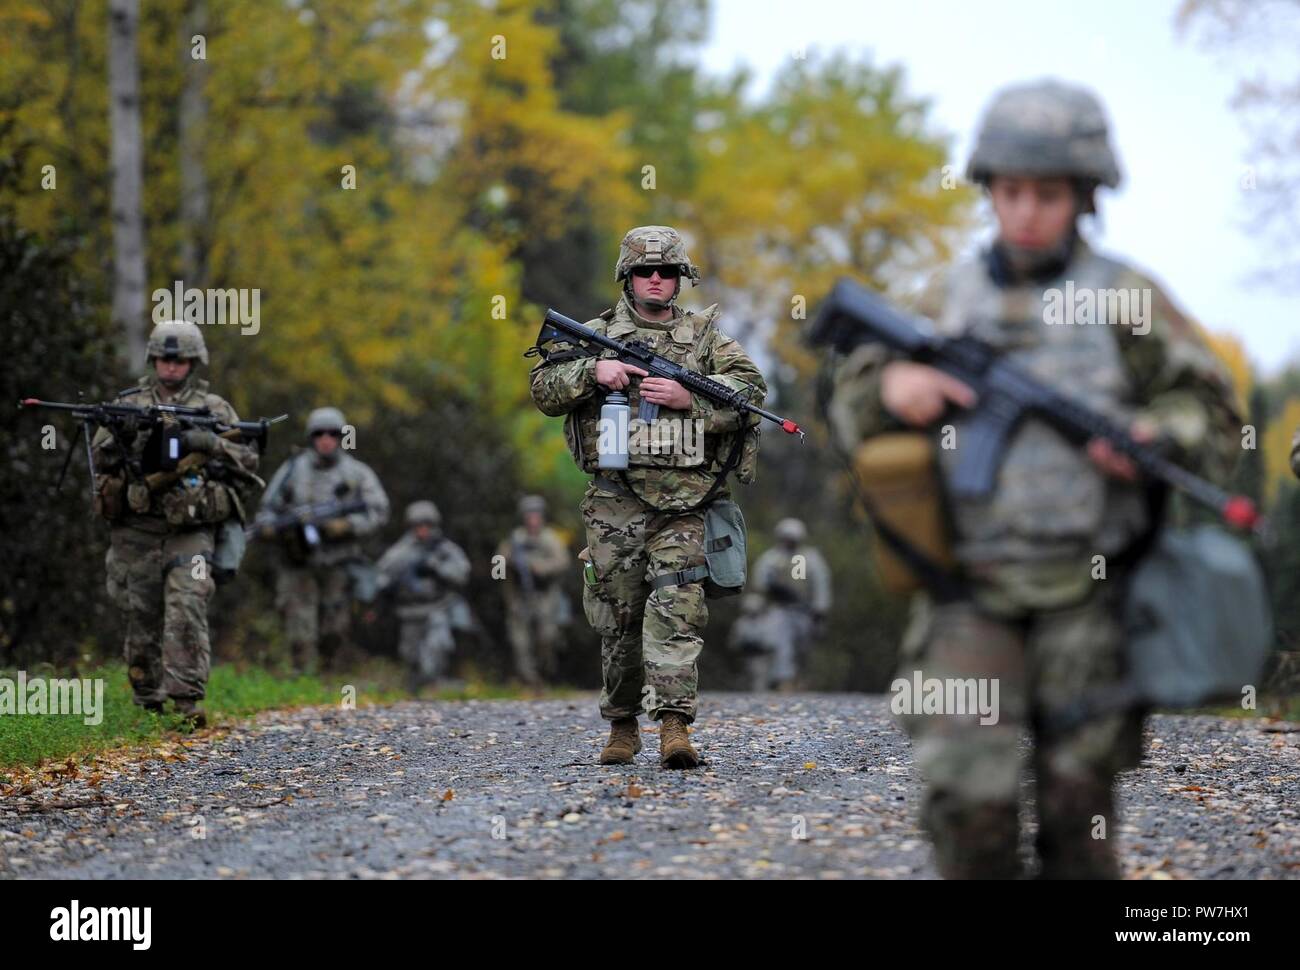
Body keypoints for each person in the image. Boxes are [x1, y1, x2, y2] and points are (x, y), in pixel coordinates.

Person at [827, 80, 1240, 877]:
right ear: (986, 191)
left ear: (1085, 198)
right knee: (964, 801)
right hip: (965, 590)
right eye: (1008, 192)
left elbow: (1211, 407)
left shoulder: (1127, 299)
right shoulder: (943, 297)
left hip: (1089, 595)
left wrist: (1159, 434)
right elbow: (847, 398)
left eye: (1046, 195)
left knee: (1076, 807)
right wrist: (887, 391)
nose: (1023, 212)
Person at [529, 225, 767, 767]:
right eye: (644, 271)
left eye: (666, 271)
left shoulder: (705, 337)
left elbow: (752, 394)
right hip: (614, 500)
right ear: (627, 276)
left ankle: (675, 728)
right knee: (619, 615)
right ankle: (621, 726)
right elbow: (543, 390)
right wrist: (594, 371)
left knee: (679, 605)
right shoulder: (593, 333)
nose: (655, 279)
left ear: (681, 277)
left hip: (686, 502)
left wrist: (692, 398)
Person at [93, 320, 261, 727]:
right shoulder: (128, 404)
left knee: (188, 605)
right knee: (141, 613)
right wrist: (121, 436)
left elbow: (250, 461)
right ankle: (147, 700)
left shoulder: (215, 409)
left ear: (193, 362)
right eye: (165, 359)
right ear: (154, 359)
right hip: (137, 529)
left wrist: (209, 443)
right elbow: (99, 459)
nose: (171, 367)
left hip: (191, 530)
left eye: (180, 359)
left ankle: (187, 703)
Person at [258, 407, 389, 673]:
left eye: (333, 434)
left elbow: (379, 510)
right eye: (319, 434)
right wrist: (271, 528)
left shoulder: (356, 473)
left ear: (341, 438)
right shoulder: (293, 469)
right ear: (311, 437)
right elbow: (268, 508)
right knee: (298, 621)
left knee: (335, 626)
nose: (326, 439)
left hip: (338, 560)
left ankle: (329, 671)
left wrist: (347, 525)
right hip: (298, 559)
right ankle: (302, 675)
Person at [376, 500, 472, 691]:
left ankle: (434, 682)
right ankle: (417, 688)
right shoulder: (401, 550)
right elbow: (382, 575)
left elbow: (462, 572)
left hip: (437, 607)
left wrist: (437, 568)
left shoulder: (444, 548)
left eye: (426, 525)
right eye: (418, 526)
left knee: (438, 645)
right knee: (410, 656)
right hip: (409, 610)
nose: (422, 530)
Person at [735, 518, 831, 691]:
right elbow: (759, 586)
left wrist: (820, 611)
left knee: (803, 649)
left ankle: (799, 679)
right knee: (781, 644)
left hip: (805, 611)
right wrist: (756, 606)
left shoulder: (811, 559)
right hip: (779, 609)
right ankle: (783, 680)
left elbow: (820, 586)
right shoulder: (771, 559)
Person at [497, 495, 571, 686]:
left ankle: (545, 671)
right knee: (519, 642)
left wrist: (541, 568)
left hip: (545, 595)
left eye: (536, 515)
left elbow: (563, 562)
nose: (533, 519)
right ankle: (530, 679)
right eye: (529, 515)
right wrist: (507, 561)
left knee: (547, 637)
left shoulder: (550, 538)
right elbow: (497, 570)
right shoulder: (515, 539)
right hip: (520, 596)